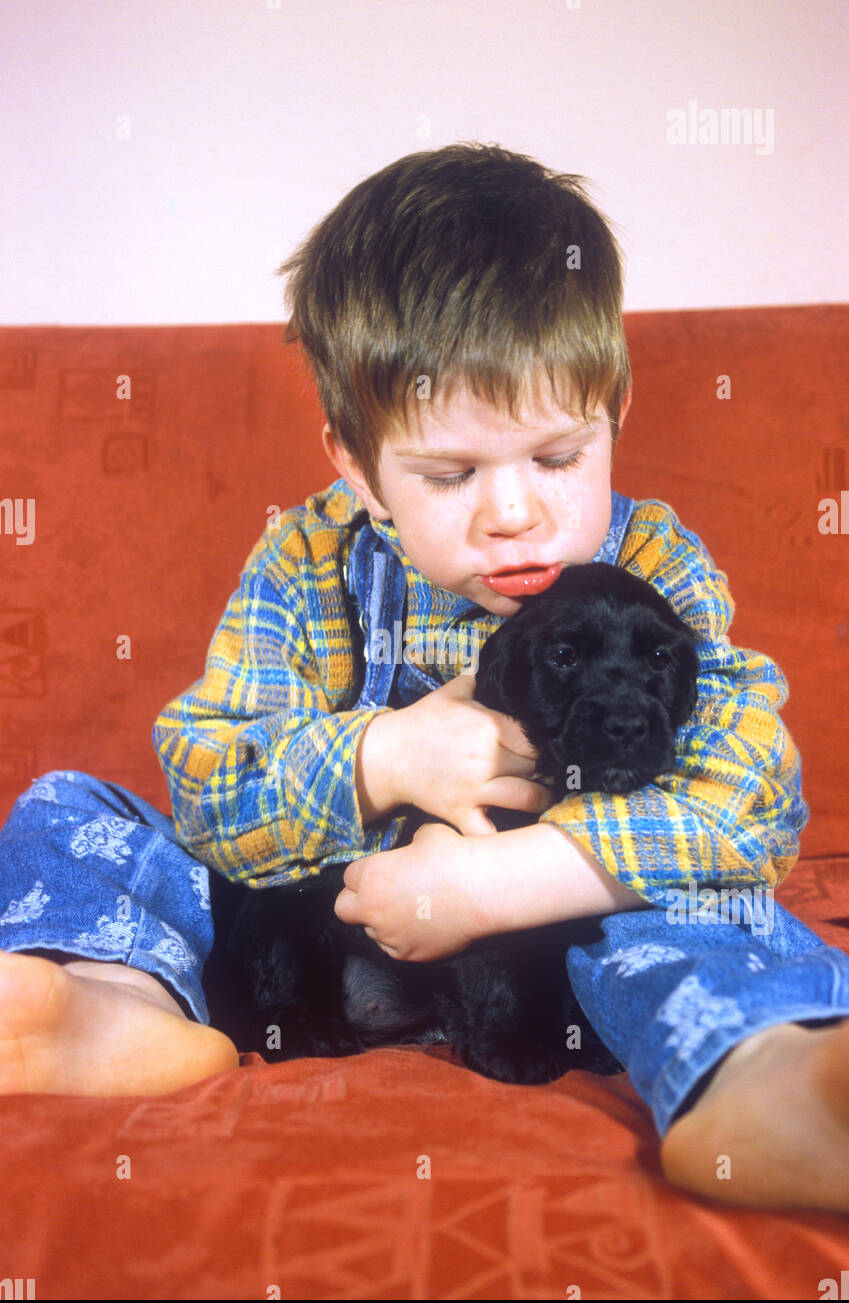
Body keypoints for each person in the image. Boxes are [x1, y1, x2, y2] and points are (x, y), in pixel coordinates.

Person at [2, 143, 848, 1212]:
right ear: (357, 468)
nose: (513, 513)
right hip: (313, 936)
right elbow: (210, 780)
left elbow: (752, 799)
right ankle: (103, 1004)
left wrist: (495, 883)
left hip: (551, 948)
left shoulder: (655, 568)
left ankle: (767, 1075)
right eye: (450, 475)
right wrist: (379, 756)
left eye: (556, 458)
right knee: (69, 808)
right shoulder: (304, 561)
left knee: (700, 911)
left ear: (612, 415)